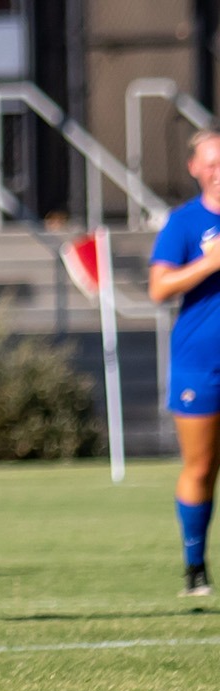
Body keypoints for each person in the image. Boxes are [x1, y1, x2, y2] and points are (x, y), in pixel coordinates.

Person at [146, 127, 220, 598]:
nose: (218, 171)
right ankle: (195, 564)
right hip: (200, 363)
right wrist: (210, 264)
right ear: (194, 168)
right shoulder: (184, 223)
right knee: (201, 466)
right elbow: (159, 288)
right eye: (210, 162)